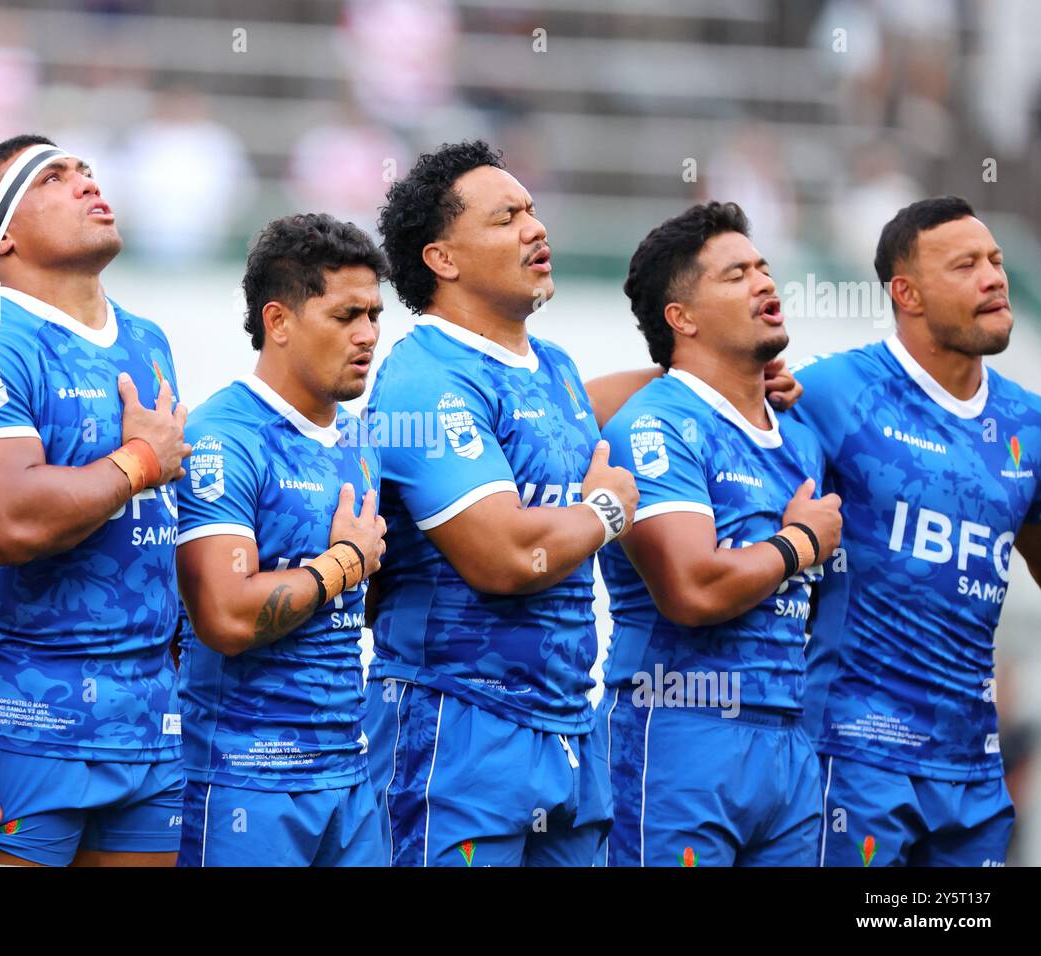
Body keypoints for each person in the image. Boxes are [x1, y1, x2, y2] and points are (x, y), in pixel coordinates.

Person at [0, 134, 189, 866]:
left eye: (88, 170)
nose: (86, 183)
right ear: (4, 234)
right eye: (53, 178)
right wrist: (137, 462)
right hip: (20, 717)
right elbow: (7, 521)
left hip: (148, 721)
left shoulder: (149, 339)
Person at [366, 141, 638, 867]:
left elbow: (582, 409)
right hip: (456, 726)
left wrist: (727, 372)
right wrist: (608, 511)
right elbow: (504, 554)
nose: (535, 228)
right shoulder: (426, 375)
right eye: (506, 217)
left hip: (566, 728)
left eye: (534, 211)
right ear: (444, 259)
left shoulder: (553, 366)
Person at [788, 197, 1041, 866]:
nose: (993, 277)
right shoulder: (833, 391)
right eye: (965, 265)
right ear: (909, 293)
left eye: (995, 261)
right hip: (855, 757)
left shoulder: (1028, 424)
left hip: (974, 770)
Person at [598, 201, 841, 866]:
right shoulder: (655, 425)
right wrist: (798, 544)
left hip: (788, 739)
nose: (765, 282)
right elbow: (691, 591)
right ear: (683, 318)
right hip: (680, 732)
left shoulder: (798, 438)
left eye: (763, 268)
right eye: (736, 275)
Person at [175, 213, 388, 866]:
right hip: (243, 778)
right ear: (279, 321)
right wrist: (343, 564)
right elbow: (226, 614)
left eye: (376, 315)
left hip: (348, 778)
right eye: (346, 315)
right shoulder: (222, 437)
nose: (368, 335)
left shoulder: (358, 439)